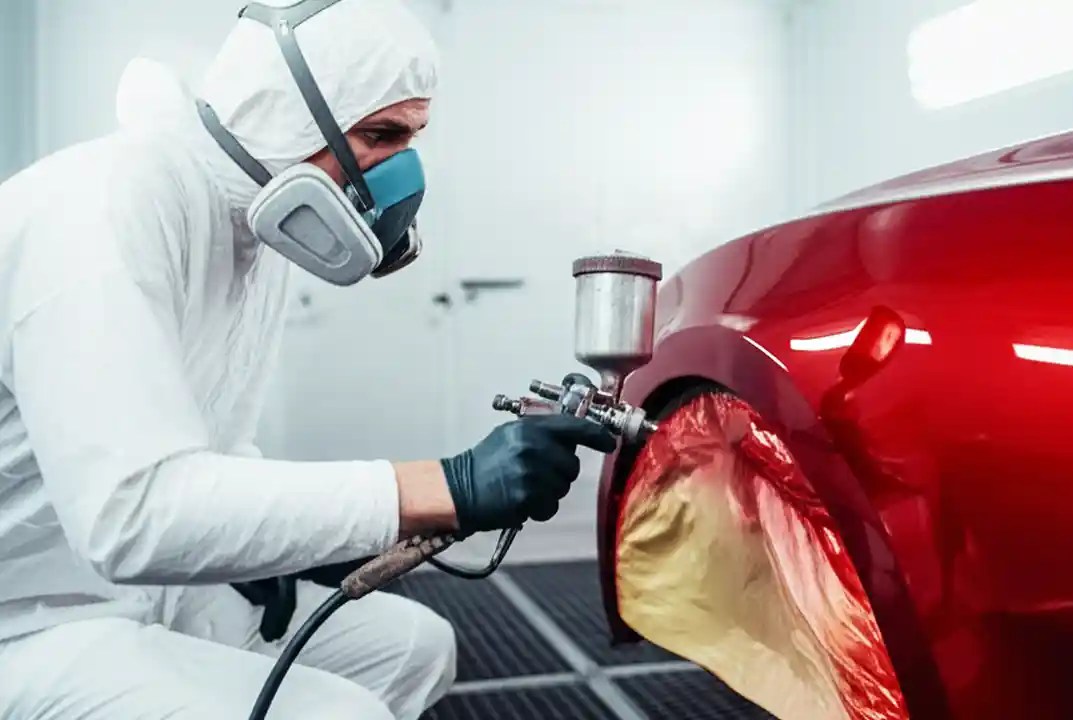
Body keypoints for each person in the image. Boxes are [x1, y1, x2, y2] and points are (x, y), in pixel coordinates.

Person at [0, 0, 615, 718]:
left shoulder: (252, 236)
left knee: (414, 647)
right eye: (381, 136)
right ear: (288, 119)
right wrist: (448, 487)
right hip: (34, 622)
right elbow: (132, 513)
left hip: (151, 590)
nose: (402, 174)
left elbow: (216, 448)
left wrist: (280, 551)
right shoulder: (98, 212)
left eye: (411, 138)